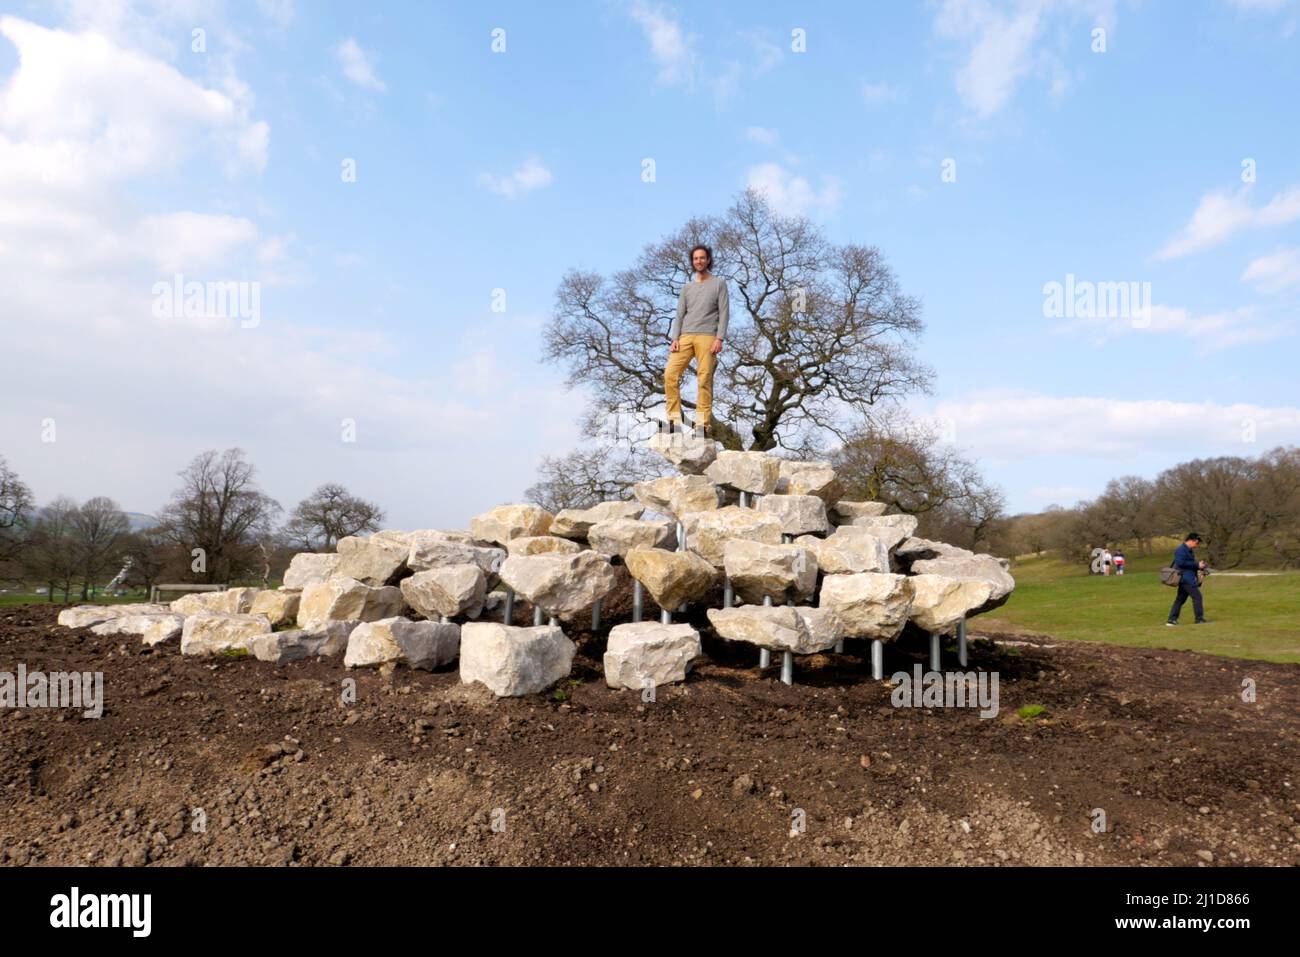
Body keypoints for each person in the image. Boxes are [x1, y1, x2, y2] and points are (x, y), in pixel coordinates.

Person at [663, 244, 728, 439]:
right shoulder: (687, 288)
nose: (699, 261)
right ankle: (673, 423)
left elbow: (724, 312)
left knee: (704, 380)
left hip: (708, 336)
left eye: (702, 258)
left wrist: (720, 337)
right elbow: (680, 314)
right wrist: (675, 338)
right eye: (695, 258)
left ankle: (702, 426)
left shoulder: (719, 284)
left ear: (708, 260)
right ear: (692, 262)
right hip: (685, 336)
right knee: (670, 375)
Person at [1166, 532, 1208, 625]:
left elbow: (1189, 564)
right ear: (1191, 540)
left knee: (1180, 599)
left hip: (1187, 577)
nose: (1196, 545)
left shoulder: (1188, 550)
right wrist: (1197, 564)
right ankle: (1199, 619)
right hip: (1185, 578)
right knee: (1197, 597)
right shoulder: (1180, 550)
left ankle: (1171, 620)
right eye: (1196, 543)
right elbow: (1180, 563)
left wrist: (1200, 566)